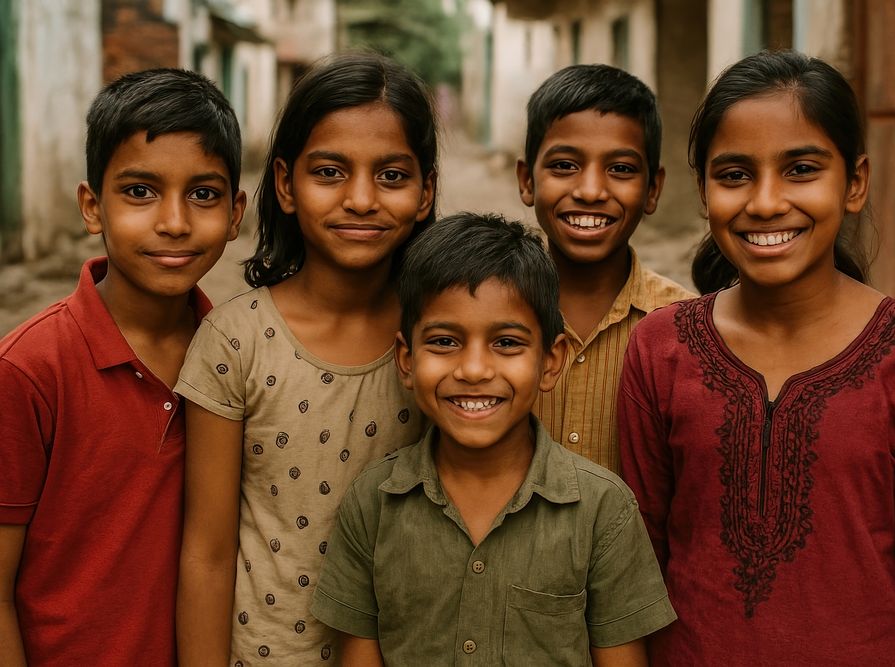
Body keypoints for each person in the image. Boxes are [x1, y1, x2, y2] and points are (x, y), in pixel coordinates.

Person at [618, 50, 895, 665]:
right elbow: (632, 576)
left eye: (800, 170)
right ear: (703, 189)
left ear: (855, 183)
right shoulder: (661, 349)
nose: (765, 202)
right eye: (734, 174)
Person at [310, 212, 676, 666]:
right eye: (444, 341)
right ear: (406, 360)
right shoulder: (374, 503)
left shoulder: (603, 511)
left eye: (506, 343)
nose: (474, 370)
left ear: (550, 361)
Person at [174, 53, 437, 665]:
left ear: (426, 192)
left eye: (393, 176)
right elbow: (206, 552)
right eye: (330, 172)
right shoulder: (235, 340)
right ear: (287, 186)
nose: (362, 199)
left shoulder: (441, 341)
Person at [0, 69, 246, 666]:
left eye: (203, 194)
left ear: (237, 213)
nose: (174, 222)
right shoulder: (31, 369)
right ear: (92, 206)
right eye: (139, 191)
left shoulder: (240, 357)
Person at [515, 64, 694, 475]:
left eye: (621, 169)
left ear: (653, 189)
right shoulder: (489, 314)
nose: (591, 191)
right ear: (527, 180)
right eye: (564, 166)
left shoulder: (686, 328)